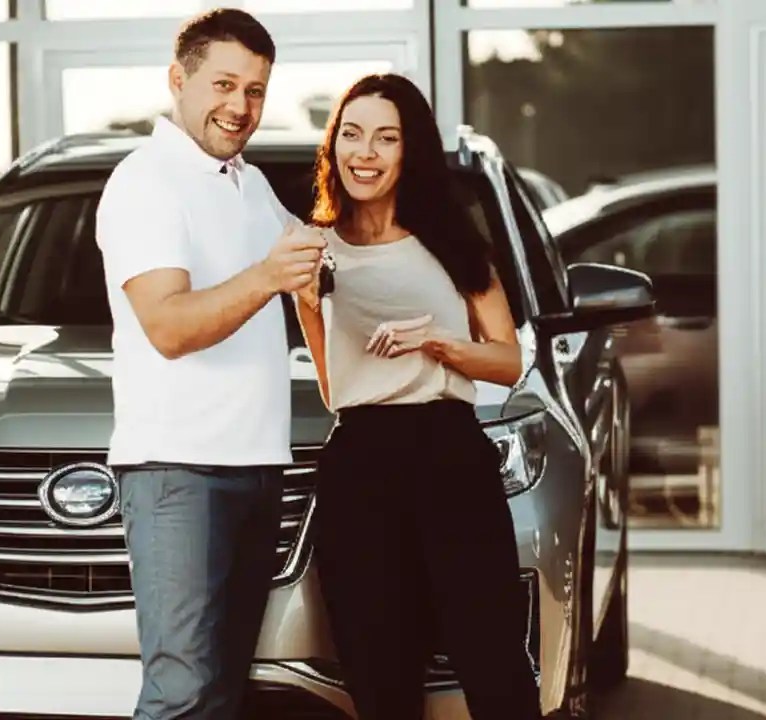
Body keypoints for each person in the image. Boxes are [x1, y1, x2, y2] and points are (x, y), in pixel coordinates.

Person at [94, 8, 326, 720]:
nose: (241, 106)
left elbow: (321, 266)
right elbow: (167, 325)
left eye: (255, 90)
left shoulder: (246, 184)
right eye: (224, 84)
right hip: (179, 472)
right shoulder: (146, 182)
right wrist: (268, 275)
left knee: (222, 692)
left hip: (255, 467)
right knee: (183, 692)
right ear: (179, 79)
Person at [294, 73, 542, 719]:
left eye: (385, 137)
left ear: (411, 152)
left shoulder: (454, 244)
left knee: (491, 658)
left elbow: (510, 360)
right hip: (359, 464)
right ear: (333, 146)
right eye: (351, 134)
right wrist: (304, 300)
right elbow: (331, 389)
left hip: (449, 456)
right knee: (378, 672)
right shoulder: (313, 250)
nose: (365, 153)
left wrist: (436, 341)